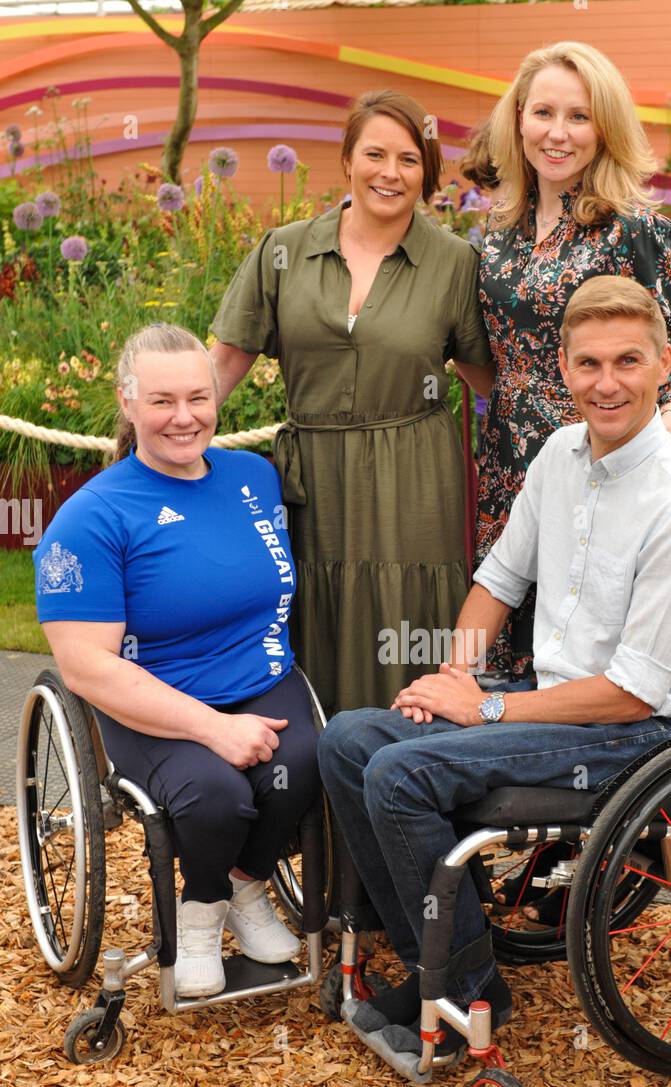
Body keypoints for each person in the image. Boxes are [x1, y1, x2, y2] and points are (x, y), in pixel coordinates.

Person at [317, 276, 671, 1080]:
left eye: (627, 361)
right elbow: (500, 581)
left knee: (402, 772)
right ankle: (434, 963)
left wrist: (485, 708)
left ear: (662, 366)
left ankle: (471, 995)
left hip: (639, 736)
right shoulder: (557, 456)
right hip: (554, 708)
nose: (606, 382)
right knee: (348, 739)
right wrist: (448, 679)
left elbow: (634, 692)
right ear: (562, 368)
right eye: (588, 364)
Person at [33, 324, 321, 998]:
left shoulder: (254, 478)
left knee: (307, 765)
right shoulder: (90, 517)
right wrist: (212, 729)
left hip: (259, 679)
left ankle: (244, 891)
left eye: (199, 397)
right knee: (214, 796)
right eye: (162, 401)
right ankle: (198, 911)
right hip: (151, 696)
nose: (184, 418)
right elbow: (87, 671)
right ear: (127, 403)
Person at [209, 90, 494, 717]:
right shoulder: (283, 251)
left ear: (427, 175)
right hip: (313, 478)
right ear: (346, 160)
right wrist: (156, 447)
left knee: (408, 623)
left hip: (413, 480)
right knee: (310, 615)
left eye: (409, 160)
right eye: (375, 154)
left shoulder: (454, 263)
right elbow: (223, 365)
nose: (390, 173)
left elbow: (489, 382)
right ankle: (312, 801)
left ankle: (407, 786)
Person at [472, 41, 671, 686]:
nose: (558, 133)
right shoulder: (499, 227)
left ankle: (597, 775)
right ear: (517, 118)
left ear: (604, 127)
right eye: (543, 112)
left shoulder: (632, 228)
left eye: (579, 116)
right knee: (506, 636)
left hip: (595, 458)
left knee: (586, 638)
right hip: (507, 463)